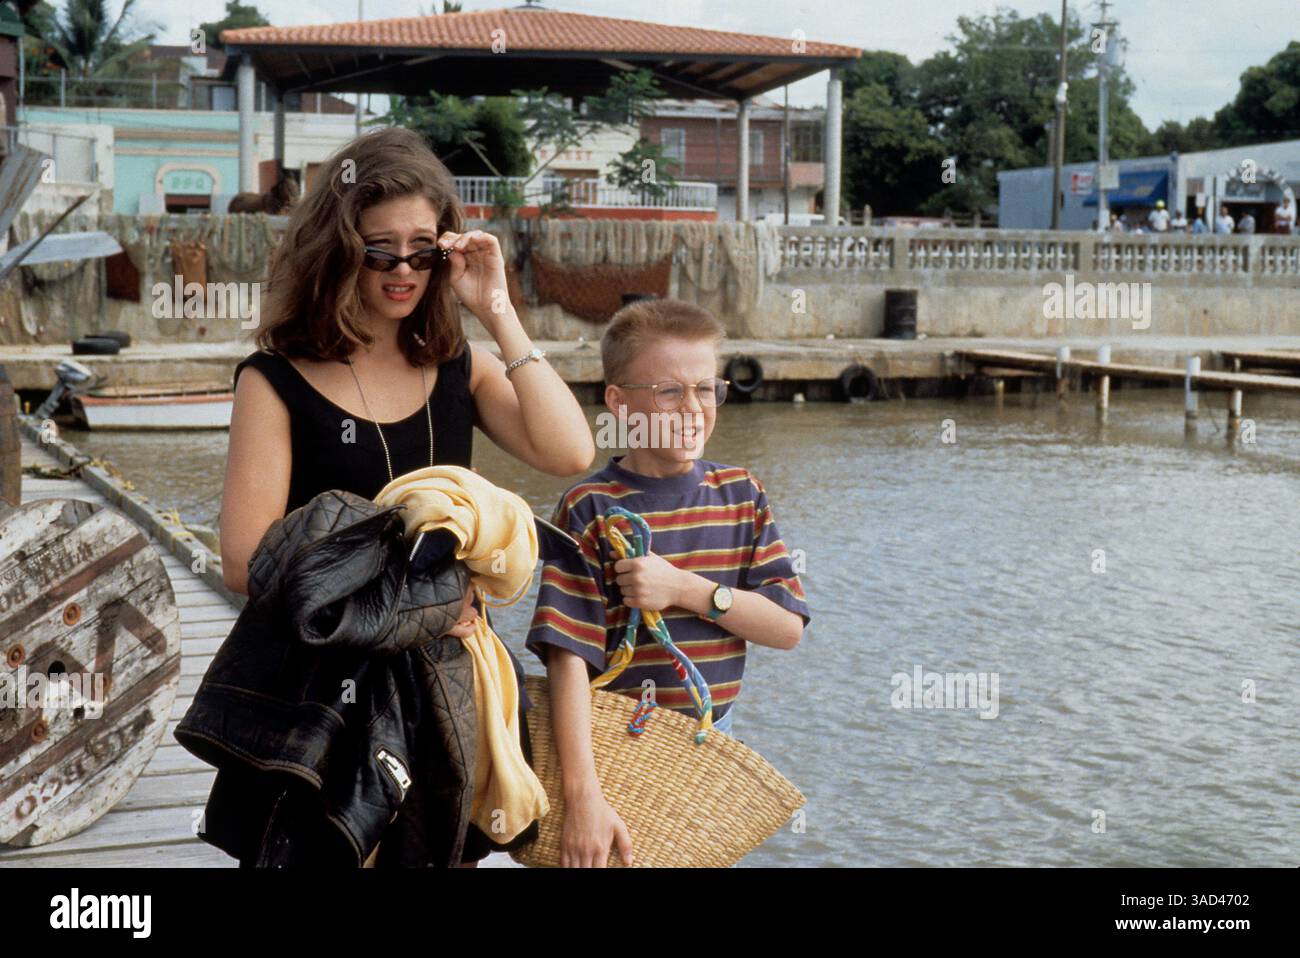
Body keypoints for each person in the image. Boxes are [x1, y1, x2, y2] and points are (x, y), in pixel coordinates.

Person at [219, 125, 595, 867]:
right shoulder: (275, 381)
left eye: (423, 247)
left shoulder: (460, 365)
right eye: (377, 248)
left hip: (445, 693)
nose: (401, 268)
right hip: (321, 696)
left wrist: (497, 309)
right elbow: (244, 563)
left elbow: (570, 451)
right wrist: (412, 601)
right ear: (336, 248)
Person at [525, 298, 810, 868]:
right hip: (610, 743)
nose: (692, 409)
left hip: (710, 741)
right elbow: (567, 660)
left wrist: (685, 589)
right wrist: (582, 797)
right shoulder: (591, 507)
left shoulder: (742, 494)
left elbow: (785, 629)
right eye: (668, 391)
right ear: (618, 402)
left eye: (705, 389)